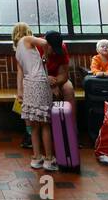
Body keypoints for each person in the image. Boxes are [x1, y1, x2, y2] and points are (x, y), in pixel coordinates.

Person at [11, 23, 58, 172]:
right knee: (45, 124)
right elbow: (46, 42)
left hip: (28, 85)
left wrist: (20, 92)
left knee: (33, 125)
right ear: (26, 31)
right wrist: (46, 54)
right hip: (40, 83)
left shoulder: (17, 51)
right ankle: (49, 159)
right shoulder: (27, 39)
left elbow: (20, 72)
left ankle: (37, 157)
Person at [43, 30, 77, 115]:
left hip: (57, 79)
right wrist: (47, 80)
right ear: (46, 44)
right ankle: (50, 124)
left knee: (69, 89)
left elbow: (64, 74)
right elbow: (31, 73)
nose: (55, 52)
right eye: (53, 49)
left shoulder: (62, 48)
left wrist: (55, 84)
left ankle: (71, 124)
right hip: (40, 79)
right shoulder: (36, 48)